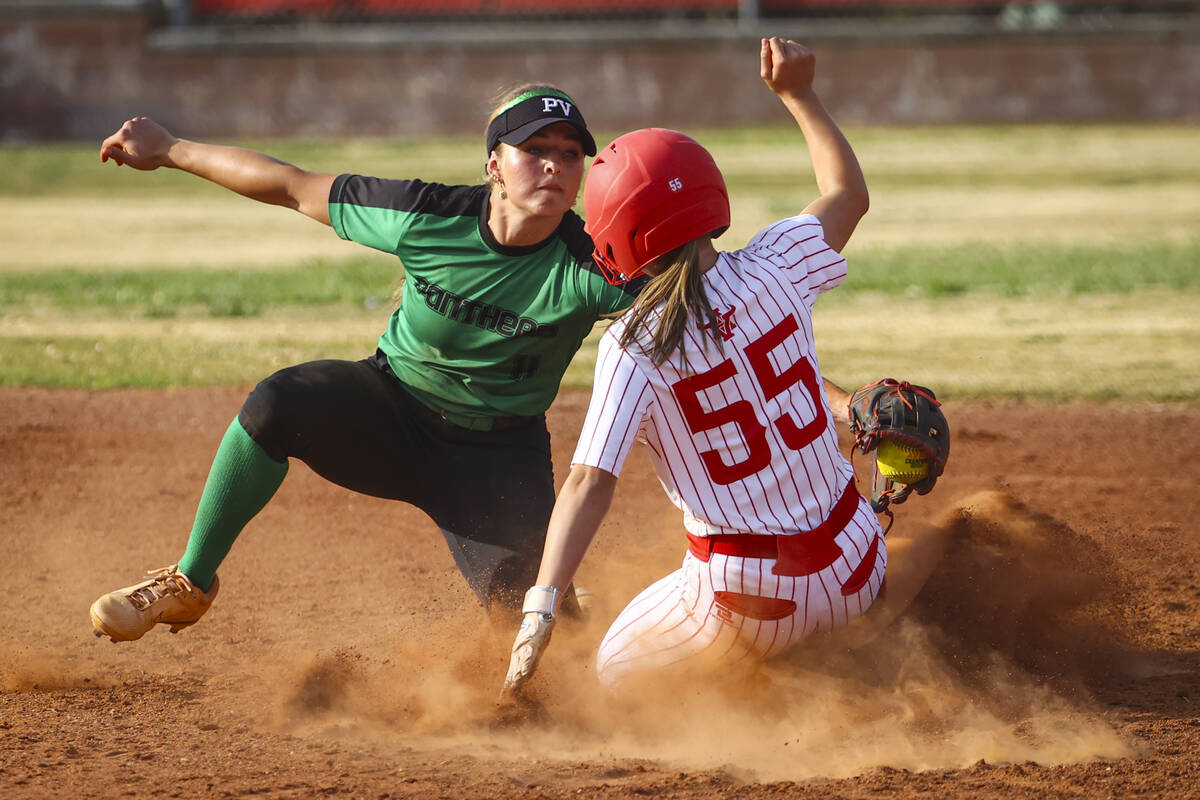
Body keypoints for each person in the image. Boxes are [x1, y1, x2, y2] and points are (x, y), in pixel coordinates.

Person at [89, 84, 645, 643]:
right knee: (277, 403)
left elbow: (691, 293)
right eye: (534, 148)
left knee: (546, 645)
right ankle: (189, 581)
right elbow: (289, 186)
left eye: (571, 152)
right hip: (393, 410)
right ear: (495, 165)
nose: (554, 164)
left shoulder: (597, 261)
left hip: (496, 460)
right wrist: (168, 148)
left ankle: (573, 608)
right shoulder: (427, 214)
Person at [501, 37, 882, 695]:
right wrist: (799, 94)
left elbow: (589, 483)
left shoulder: (634, 343)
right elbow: (847, 192)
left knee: (615, 677)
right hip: (859, 563)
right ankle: (836, 653)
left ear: (616, 234)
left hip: (751, 602)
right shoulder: (779, 265)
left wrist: (541, 602)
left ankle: (788, 690)